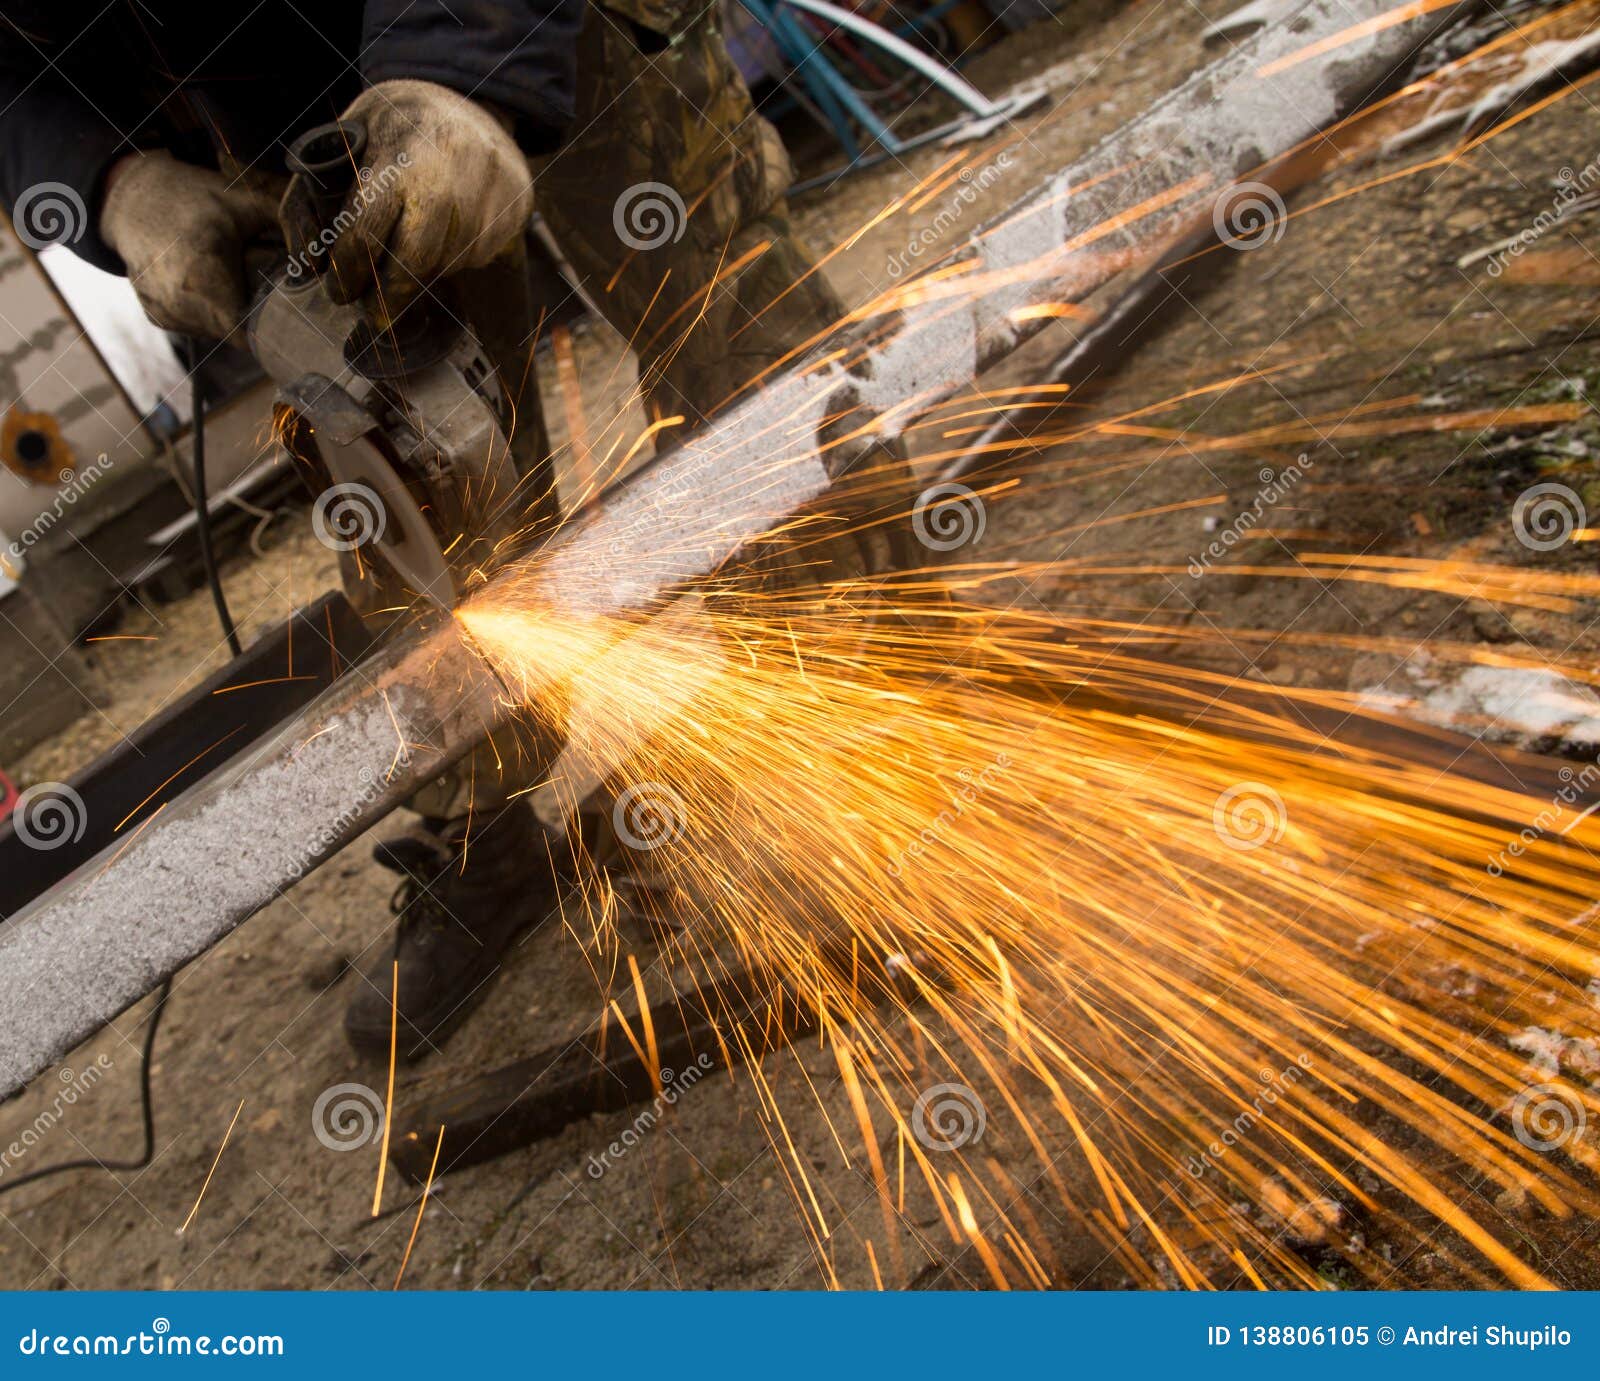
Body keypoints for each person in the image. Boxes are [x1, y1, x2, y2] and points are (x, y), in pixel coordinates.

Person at [0, 1, 891, 1060]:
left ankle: (876, 673)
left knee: (713, 299)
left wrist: (461, 70)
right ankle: (487, 826)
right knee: (393, 457)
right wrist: (105, 181)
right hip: (265, 80)